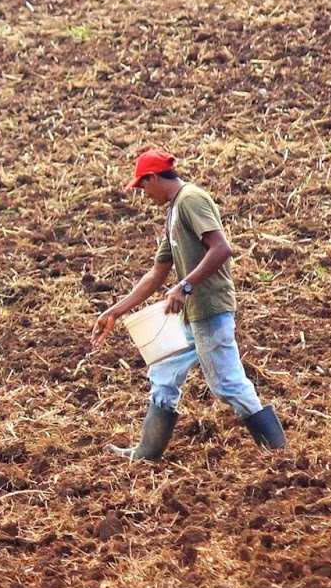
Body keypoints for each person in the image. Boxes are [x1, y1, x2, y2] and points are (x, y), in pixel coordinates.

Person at [90, 147, 286, 461]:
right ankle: (146, 453)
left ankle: (278, 452)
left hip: (210, 308)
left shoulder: (191, 200)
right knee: (165, 371)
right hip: (191, 315)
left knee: (226, 383)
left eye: (143, 186)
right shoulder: (173, 212)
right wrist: (114, 311)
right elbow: (156, 275)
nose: (143, 193)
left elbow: (222, 248)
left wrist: (185, 285)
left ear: (153, 177)